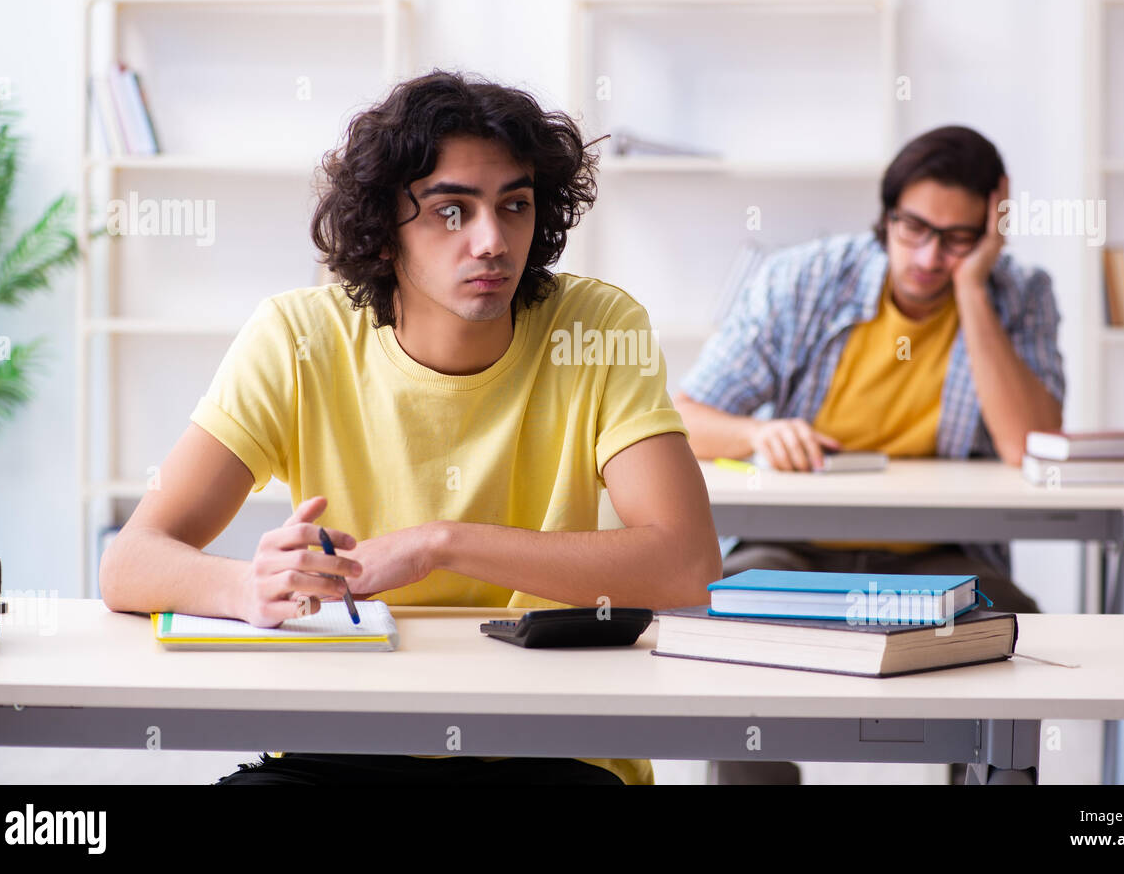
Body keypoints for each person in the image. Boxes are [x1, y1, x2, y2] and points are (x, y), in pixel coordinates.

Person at [99, 69, 722, 786]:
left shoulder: (597, 327)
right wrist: (248, 587)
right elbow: (130, 561)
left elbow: (686, 566)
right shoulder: (296, 339)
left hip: (549, 746)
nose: (491, 240)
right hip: (337, 739)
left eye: (514, 205)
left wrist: (439, 543)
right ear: (383, 232)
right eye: (451, 211)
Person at [674, 125, 1064, 785]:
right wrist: (757, 435)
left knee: (1015, 622)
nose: (929, 256)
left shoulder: (1019, 294)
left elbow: (1028, 445)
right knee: (729, 614)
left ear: (989, 235)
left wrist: (973, 291)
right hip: (794, 551)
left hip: (947, 561)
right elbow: (683, 415)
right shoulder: (802, 278)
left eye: (958, 239)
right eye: (913, 227)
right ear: (885, 217)